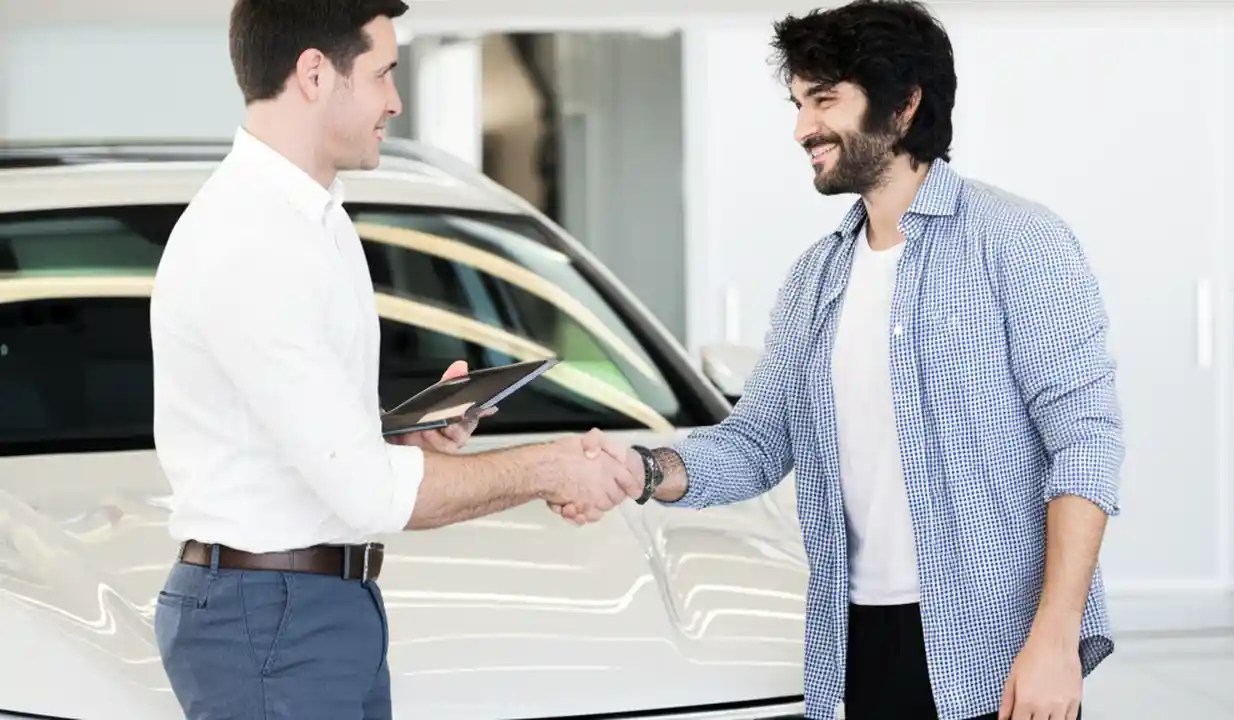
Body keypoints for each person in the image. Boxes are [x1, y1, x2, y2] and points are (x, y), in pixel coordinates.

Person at [559, 2, 1124, 719]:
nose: (802, 129)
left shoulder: (1017, 241)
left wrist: (1055, 636)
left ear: (904, 104)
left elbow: (1086, 444)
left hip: (995, 649)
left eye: (824, 100)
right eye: (798, 103)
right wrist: (640, 470)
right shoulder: (813, 280)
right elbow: (755, 445)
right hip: (853, 647)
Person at [148, 1, 638, 718]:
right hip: (274, 618)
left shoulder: (313, 221)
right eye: (383, 74)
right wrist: (550, 468)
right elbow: (367, 493)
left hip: (303, 607)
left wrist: (394, 436)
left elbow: (304, 442)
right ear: (315, 73)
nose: (395, 101)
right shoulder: (251, 240)